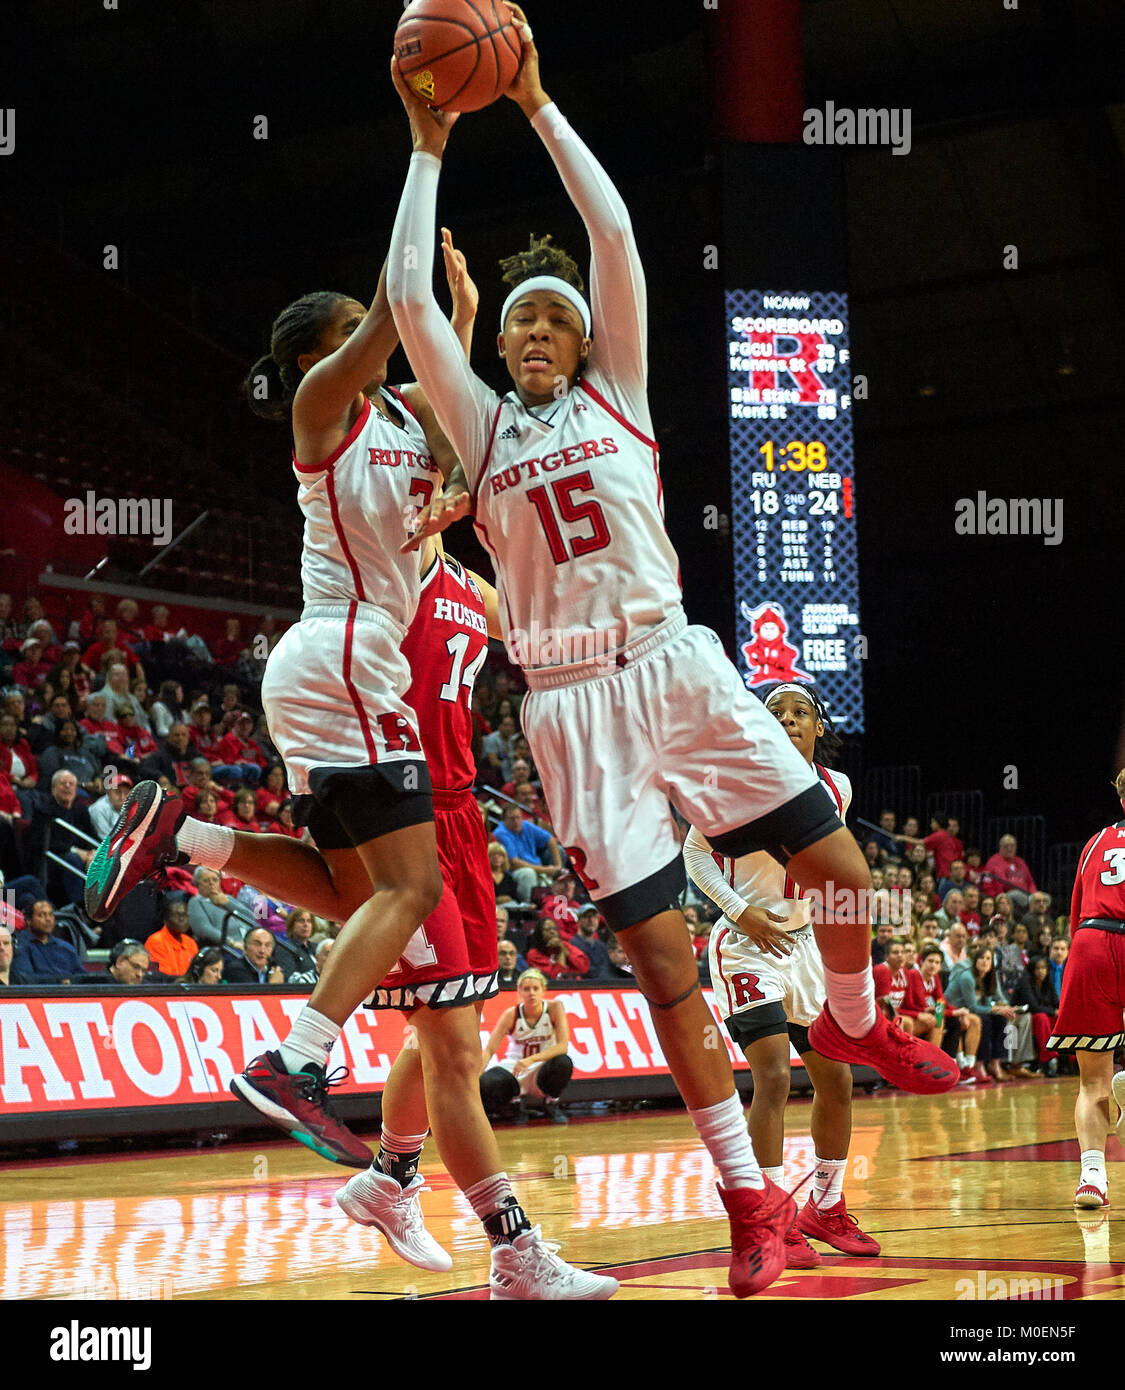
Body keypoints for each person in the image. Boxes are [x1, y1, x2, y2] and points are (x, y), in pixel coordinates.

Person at [387, 11, 954, 1297]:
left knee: (840, 863)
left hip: (675, 665)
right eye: (519, 324)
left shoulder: (620, 394)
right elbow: (415, 301)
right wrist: (427, 146)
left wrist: (533, 103)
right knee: (660, 964)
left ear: (584, 339)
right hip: (572, 705)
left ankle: (859, 1027)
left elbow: (619, 238)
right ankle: (750, 1202)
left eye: (551, 321)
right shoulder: (475, 431)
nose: (532, 333)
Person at [685, 684, 880, 1268]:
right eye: (777, 713)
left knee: (838, 1081)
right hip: (747, 942)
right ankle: (770, 1215)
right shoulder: (735, 778)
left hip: (805, 947)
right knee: (772, 1077)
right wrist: (741, 911)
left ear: (820, 727)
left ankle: (826, 1205)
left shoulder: (836, 787)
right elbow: (696, 854)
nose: (789, 720)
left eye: (800, 713)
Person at [1046, 768, 1125, 1209]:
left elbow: (1076, 915)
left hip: (1091, 945)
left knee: (1091, 1079)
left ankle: (1092, 1177)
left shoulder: (1096, 842)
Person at [480, 968, 573, 1124]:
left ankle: (551, 1102)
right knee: (487, 1084)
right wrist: (475, 1077)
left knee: (563, 1062)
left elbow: (562, 1046)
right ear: (519, 992)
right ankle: (514, 1103)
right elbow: (489, 1050)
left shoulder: (554, 1008)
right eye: (526, 989)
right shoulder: (512, 1014)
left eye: (535, 988)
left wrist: (531, 1060)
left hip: (541, 1066)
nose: (531, 993)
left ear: (543, 990)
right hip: (515, 1066)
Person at [945, 942, 1017, 1084]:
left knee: (1000, 1019)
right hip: (955, 1011)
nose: (985, 961)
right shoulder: (967, 977)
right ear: (975, 960)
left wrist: (1004, 1008)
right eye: (981, 958)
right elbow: (973, 1007)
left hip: (970, 1012)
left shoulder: (988, 977)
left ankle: (995, 1063)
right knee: (986, 1020)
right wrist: (996, 1009)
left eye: (988, 959)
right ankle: (979, 1064)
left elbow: (990, 1001)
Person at [490, 802, 562, 901]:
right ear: (504, 820)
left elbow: (551, 840)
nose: (516, 821)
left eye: (518, 817)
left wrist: (558, 866)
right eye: (512, 818)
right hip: (514, 871)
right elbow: (515, 862)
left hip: (536, 865)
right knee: (528, 873)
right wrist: (545, 870)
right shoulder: (501, 833)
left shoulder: (526, 825)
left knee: (560, 851)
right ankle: (528, 904)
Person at [7, 900, 87, 983]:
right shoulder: (19, 946)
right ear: (28, 920)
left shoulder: (66, 947)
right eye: (42, 915)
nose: (48, 919)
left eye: (50, 914)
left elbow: (83, 977)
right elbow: (26, 979)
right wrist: (60, 982)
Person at [981, 834, 1037, 912]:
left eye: (1012, 846)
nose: (1009, 849)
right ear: (1000, 847)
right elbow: (1004, 884)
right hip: (1005, 895)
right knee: (1017, 894)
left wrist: (1034, 894)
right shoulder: (994, 861)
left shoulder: (1020, 861)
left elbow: (1030, 882)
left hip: (1025, 894)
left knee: (1045, 898)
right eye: (1006, 846)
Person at [143, 900, 199, 978]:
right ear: (165, 920)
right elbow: (162, 978)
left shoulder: (191, 943)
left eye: (185, 915)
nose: (182, 919)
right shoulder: (156, 941)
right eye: (177, 915)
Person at [85, 939, 151, 986]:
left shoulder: (149, 988)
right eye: (135, 967)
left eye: (144, 971)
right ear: (120, 962)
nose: (140, 975)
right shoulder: (93, 984)